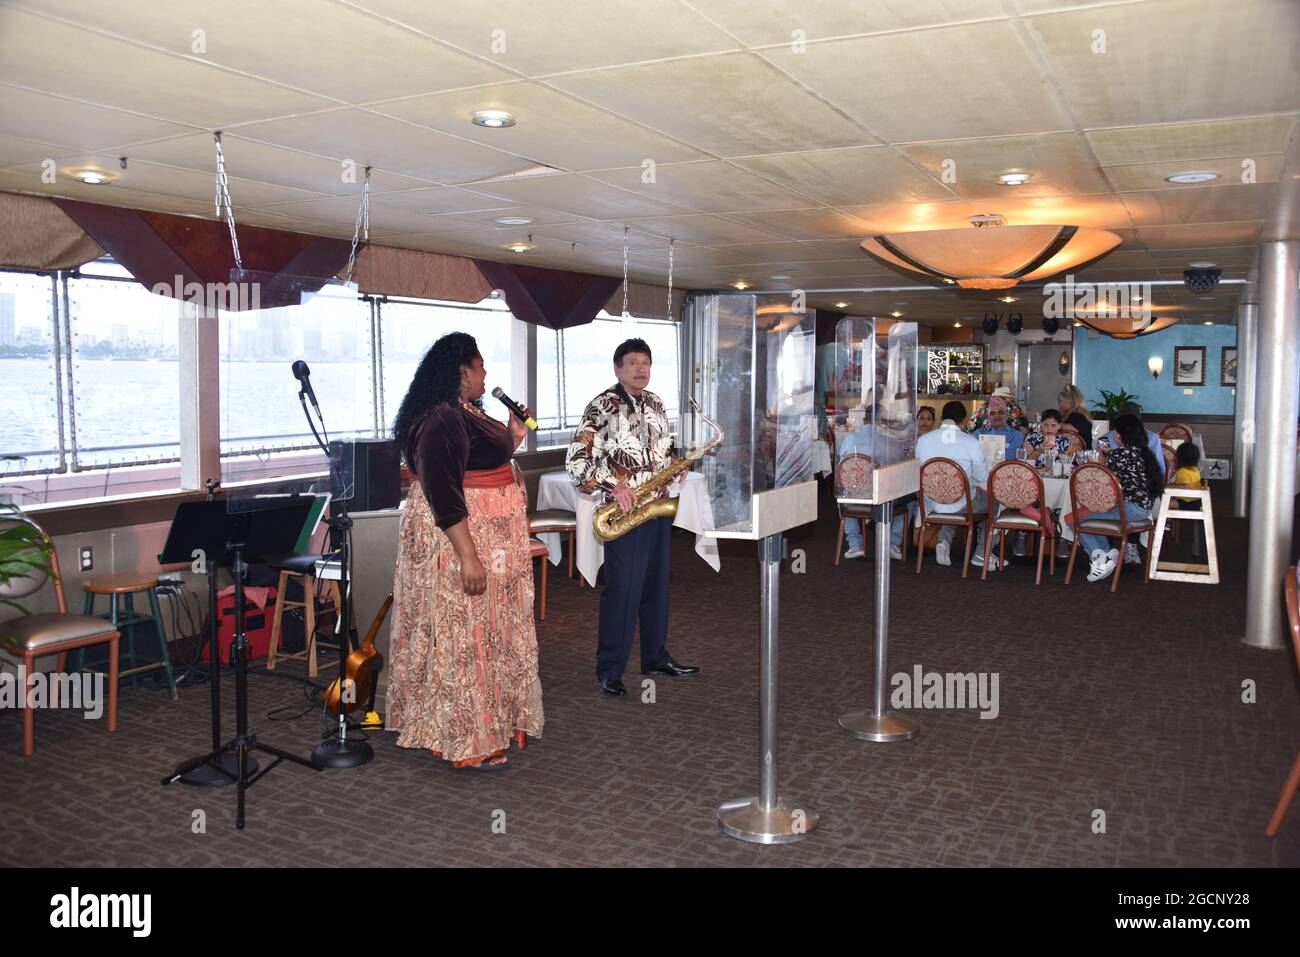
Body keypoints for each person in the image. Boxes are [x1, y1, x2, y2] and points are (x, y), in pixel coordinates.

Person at [386, 332, 543, 769]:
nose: (486, 373)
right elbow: (443, 490)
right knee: (468, 634)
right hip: (467, 539)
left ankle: (494, 717)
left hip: (494, 539)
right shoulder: (440, 419)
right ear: (462, 372)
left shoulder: (465, 411)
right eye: (481, 366)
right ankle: (465, 735)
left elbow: (483, 460)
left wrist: (512, 436)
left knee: (493, 631)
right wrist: (468, 555)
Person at [566, 338, 699, 697]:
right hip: (624, 512)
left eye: (646, 363)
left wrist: (674, 467)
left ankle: (656, 656)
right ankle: (609, 669)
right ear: (617, 368)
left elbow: (662, 449)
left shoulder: (655, 403)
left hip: (656, 508)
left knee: (657, 587)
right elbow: (576, 462)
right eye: (633, 363)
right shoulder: (601, 407)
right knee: (623, 591)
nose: (641, 369)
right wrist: (614, 486)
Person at [1077, 414, 1165, 582]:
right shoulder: (1145, 454)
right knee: (1084, 516)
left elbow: (1097, 479)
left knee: (1077, 519)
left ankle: (1099, 558)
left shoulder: (1119, 455)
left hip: (1129, 509)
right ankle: (1105, 557)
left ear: (1118, 435)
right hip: (1143, 509)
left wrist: (1096, 462)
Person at [916, 400, 1000, 570]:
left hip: (930, 502)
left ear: (941, 418)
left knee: (957, 500)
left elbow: (918, 469)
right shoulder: (970, 442)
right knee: (994, 500)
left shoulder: (923, 440)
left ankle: (944, 541)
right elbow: (982, 476)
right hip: (960, 502)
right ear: (964, 420)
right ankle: (981, 554)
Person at [838, 404, 916, 560]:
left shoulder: (849, 439)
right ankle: (893, 542)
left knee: (844, 493)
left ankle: (855, 543)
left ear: (864, 419)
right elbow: (899, 466)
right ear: (883, 421)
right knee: (912, 499)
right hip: (882, 497)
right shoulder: (889, 442)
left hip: (855, 496)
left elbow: (843, 469)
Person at [973, 394, 1025, 462]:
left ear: (1007, 414)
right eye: (992, 413)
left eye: (1001, 412)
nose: (997, 416)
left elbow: (1009, 458)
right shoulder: (978, 433)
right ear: (988, 417)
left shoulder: (1016, 435)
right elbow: (974, 456)